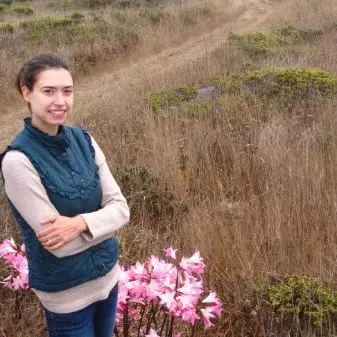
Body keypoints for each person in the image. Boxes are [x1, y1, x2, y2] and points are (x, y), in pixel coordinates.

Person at [0, 54, 130, 337]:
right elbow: (59, 246)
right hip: (66, 297)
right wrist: (102, 223)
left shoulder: (85, 140)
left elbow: (121, 209)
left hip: (108, 279)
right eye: (48, 91)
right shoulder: (17, 161)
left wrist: (79, 223)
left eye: (67, 91)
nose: (60, 101)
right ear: (26, 92)